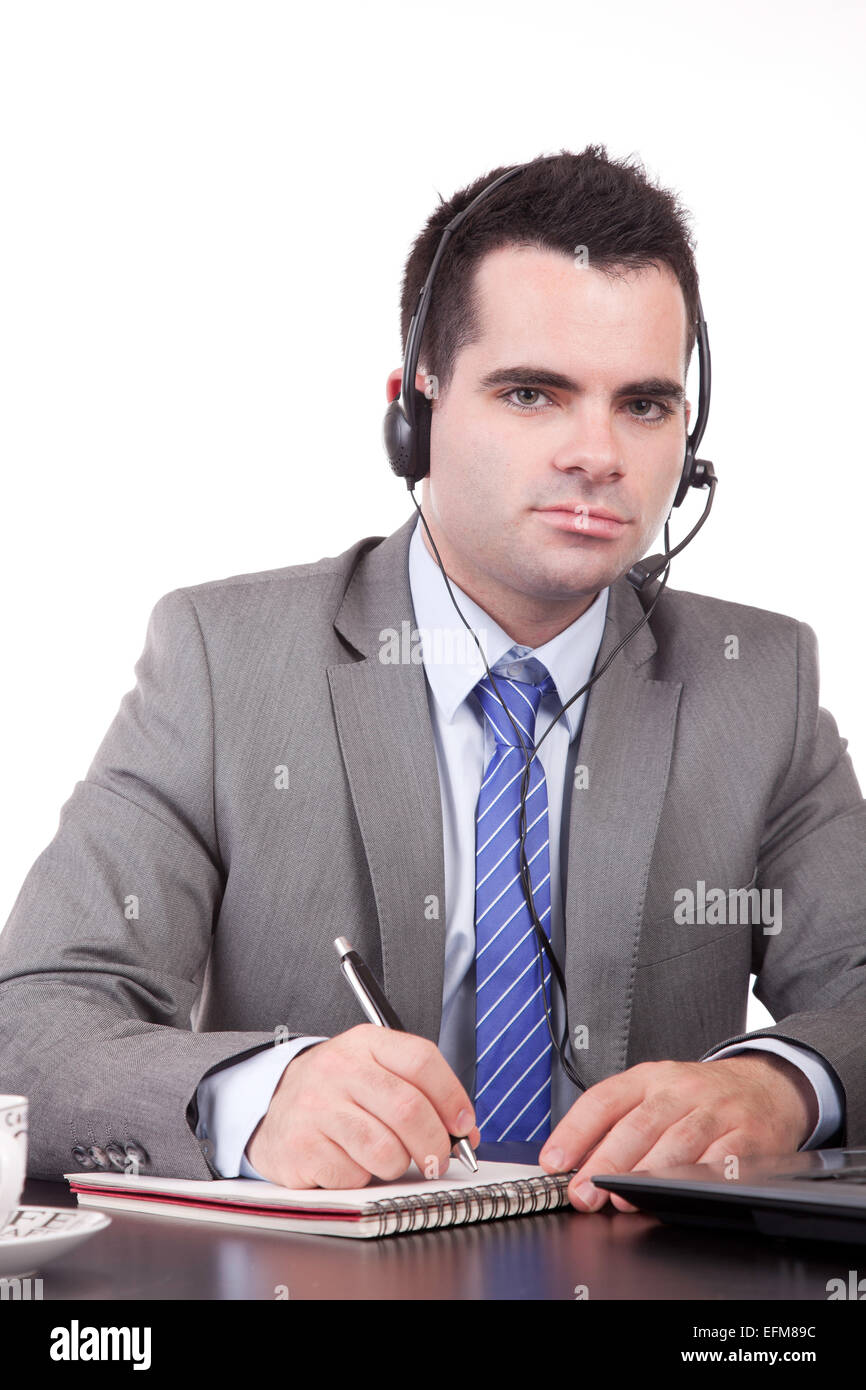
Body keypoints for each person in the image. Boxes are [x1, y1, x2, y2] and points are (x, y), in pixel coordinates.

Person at [1, 147, 862, 1216]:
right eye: (532, 392)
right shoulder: (224, 661)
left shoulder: (759, 683)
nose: (597, 453)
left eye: (642, 405)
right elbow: (34, 1018)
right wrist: (255, 1094)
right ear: (414, 410)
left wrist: (778, 1083)